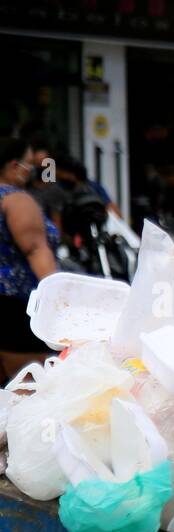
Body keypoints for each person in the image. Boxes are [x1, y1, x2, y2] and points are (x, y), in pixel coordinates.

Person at [0, 138, 58, 380]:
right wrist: (59, 297)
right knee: (29, 391)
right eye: (28, 164)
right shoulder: (16, 200)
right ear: (14, 165)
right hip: (17, 309)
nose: (32, 171)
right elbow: (35, 249)